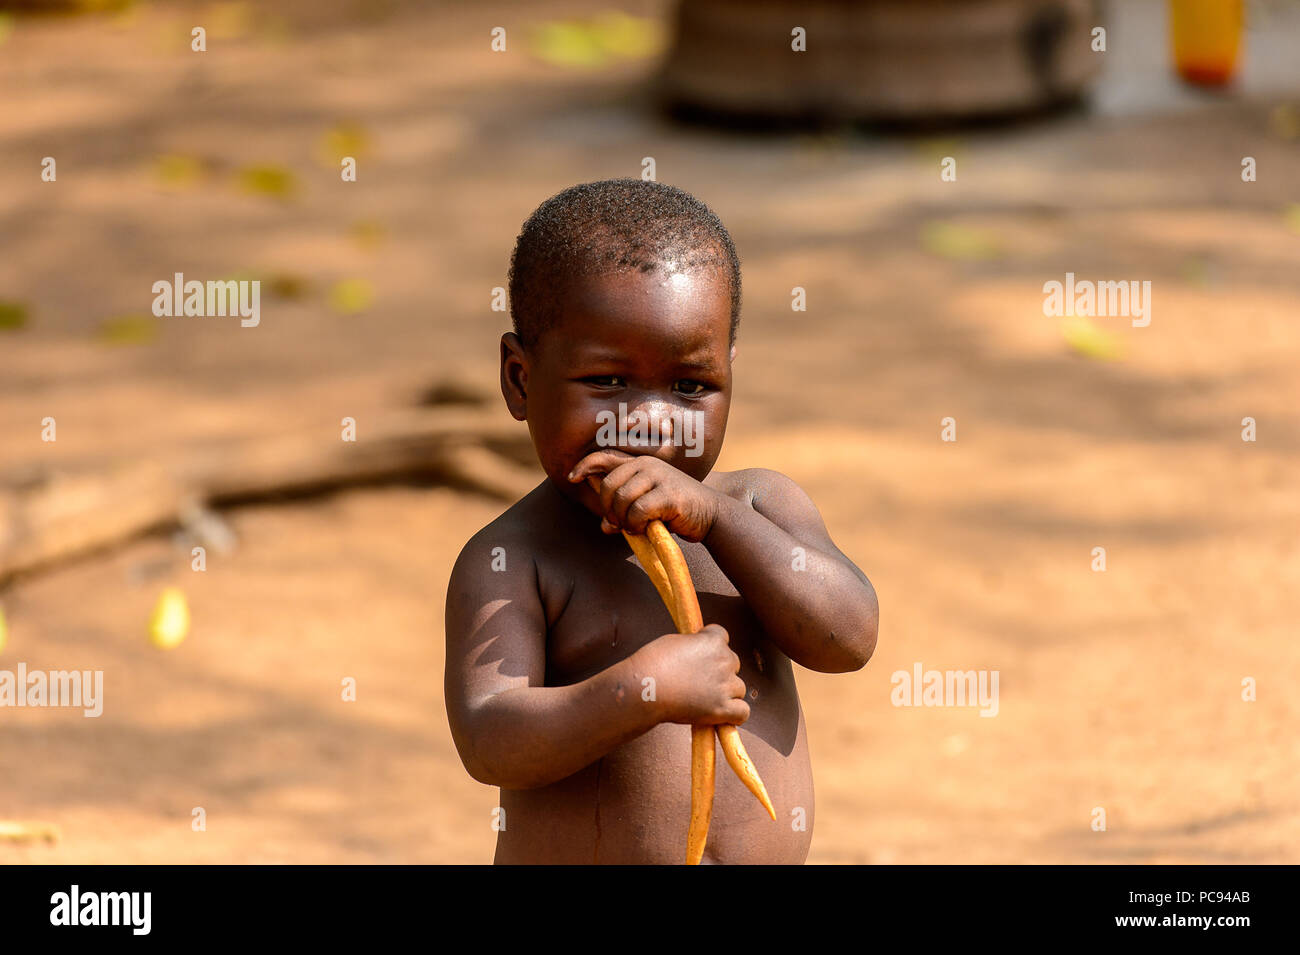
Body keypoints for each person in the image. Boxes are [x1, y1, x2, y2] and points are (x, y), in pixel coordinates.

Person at [445, 178, 878, 864]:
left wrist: (718, 518)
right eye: (608, 382)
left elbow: (848, 636)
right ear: (521, 379)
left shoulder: (761, 506)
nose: (648, 421)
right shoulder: (514, 558)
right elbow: (488, 736)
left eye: (689, 386)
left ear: (730, 374)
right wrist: (641, 690)